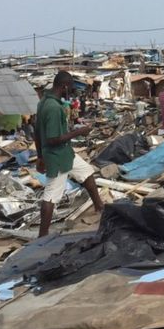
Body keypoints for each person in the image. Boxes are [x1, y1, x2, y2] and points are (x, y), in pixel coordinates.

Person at [35, 71, 105, 237]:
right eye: (71, 87)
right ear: (64, 86)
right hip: (57, 155)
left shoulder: (44, 102)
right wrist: (79, 132)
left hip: (64, 152)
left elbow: (37, 133)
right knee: (51, 194)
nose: (71, 91)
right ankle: (42, 235)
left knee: (86, 172)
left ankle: (99, 206)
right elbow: (53, 139)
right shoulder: (53, 108)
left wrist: (39, 156)